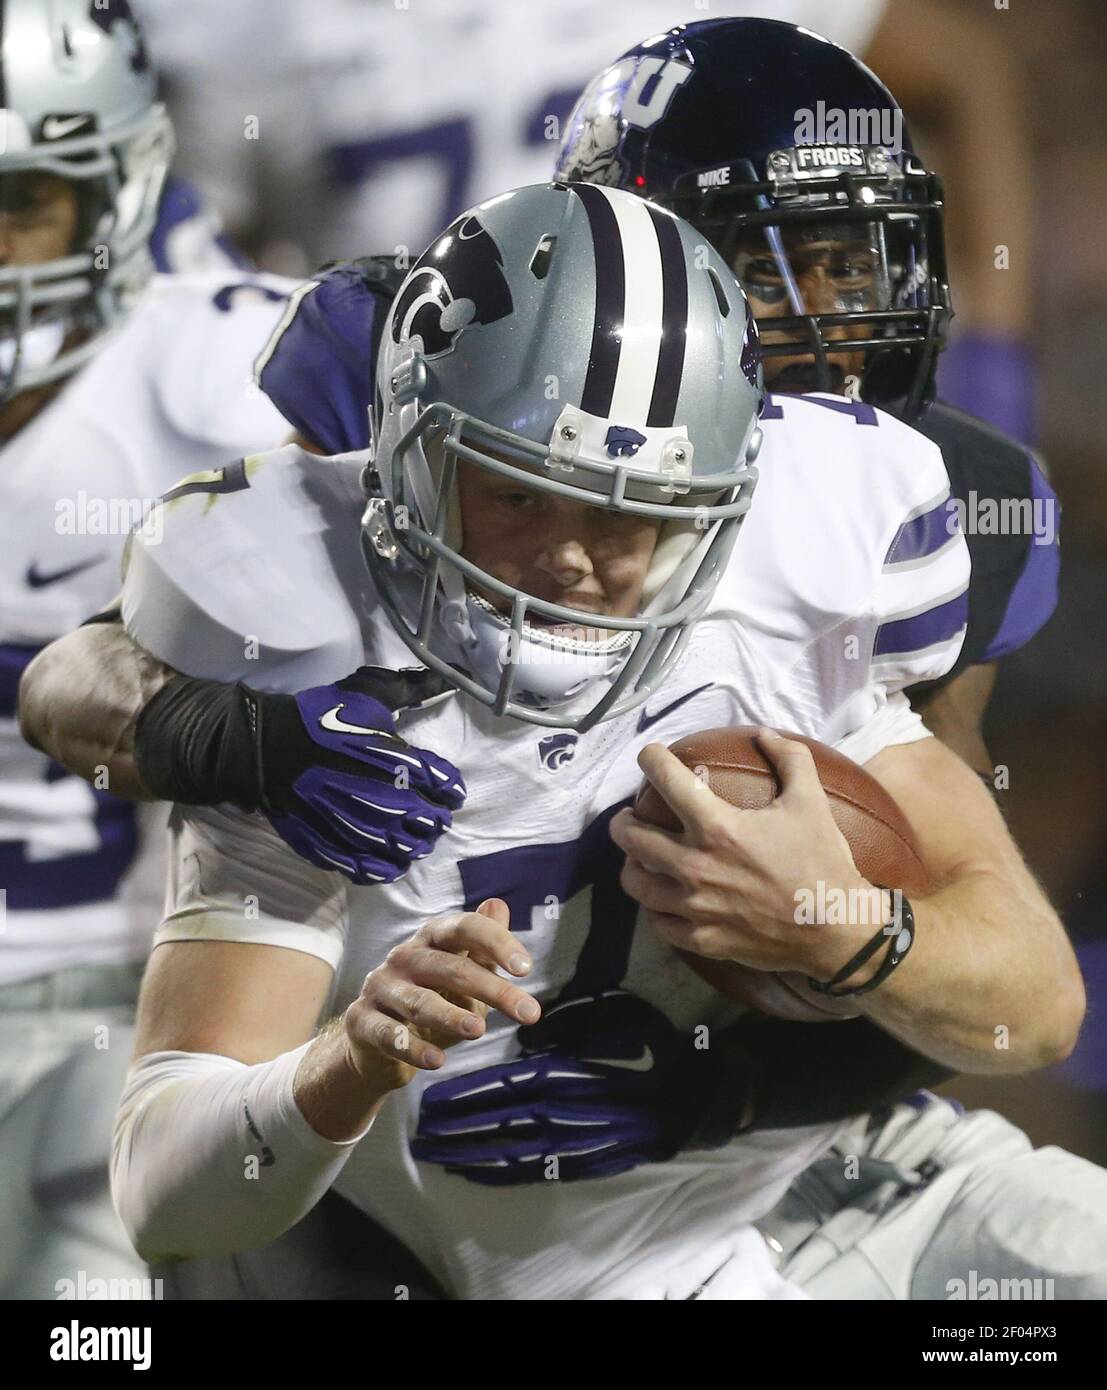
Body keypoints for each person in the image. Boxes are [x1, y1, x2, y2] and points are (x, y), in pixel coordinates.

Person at [94, 182, 1102, 1301]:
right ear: (415, 459)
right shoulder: (316, 684)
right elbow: (163, 1199)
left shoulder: (801, 576)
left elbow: (1039, 1003)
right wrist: (349, 1060)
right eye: (518, 495)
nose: (570, 560)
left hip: (846, 1171)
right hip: (565, 1264)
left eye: (626, 513)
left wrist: (838, 924)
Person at [0, 0, 293, 1299]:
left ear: (113, 193)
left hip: (133, 1005)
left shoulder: (233, 381)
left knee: (85, 1281)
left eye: (15, 199)